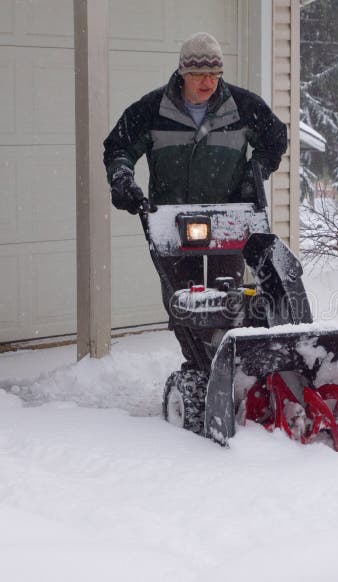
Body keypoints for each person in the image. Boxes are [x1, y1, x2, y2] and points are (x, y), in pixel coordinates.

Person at [103, 32, 287, 367]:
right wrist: (122, 180)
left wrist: (253, 174)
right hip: (171, 219)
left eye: (215, 75)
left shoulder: (243, 107)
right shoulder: (152, 110)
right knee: (183, 301)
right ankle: (201, 364)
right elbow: (118, 147)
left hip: (227, 216)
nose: (208, 82)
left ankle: (227, 363)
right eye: (200, 75)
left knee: (228, 297)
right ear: (183, 73)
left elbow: (275, 139)